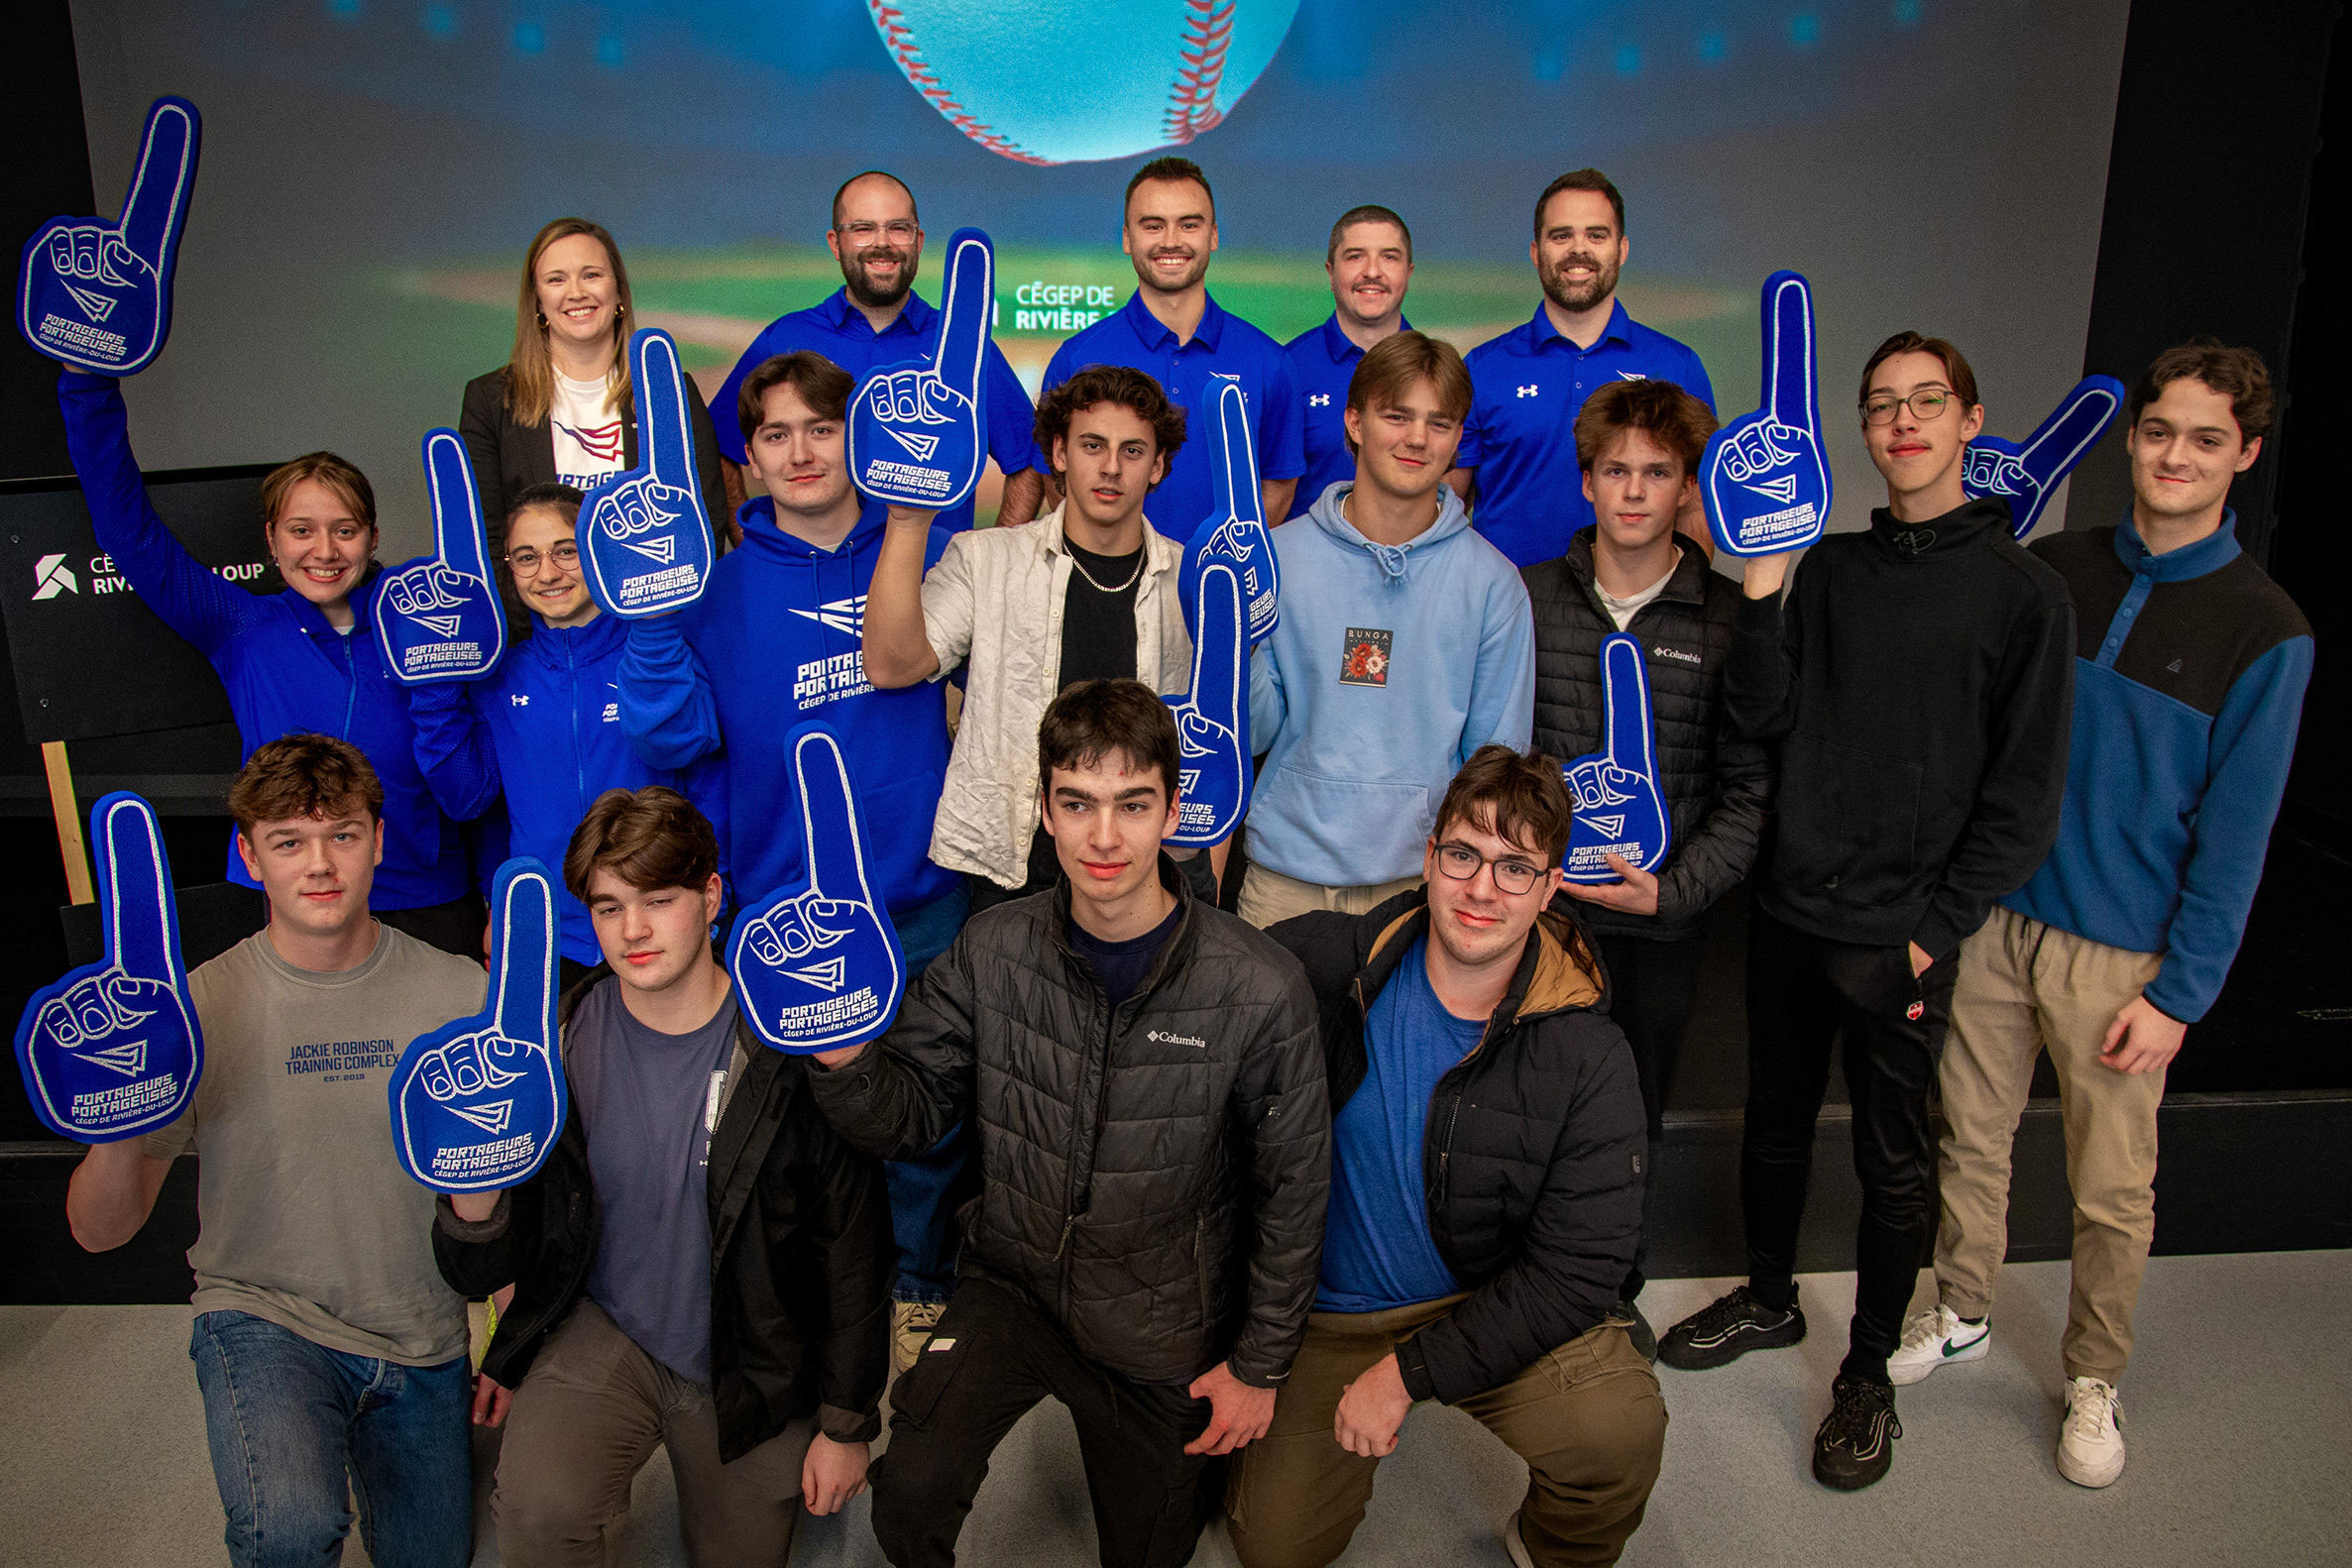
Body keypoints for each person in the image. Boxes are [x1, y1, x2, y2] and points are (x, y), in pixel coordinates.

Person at [1659, 332, 2076, 1493]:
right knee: (1775, 1120)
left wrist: (1933, 929)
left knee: (1896, 1169)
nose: (1903, 421)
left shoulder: (2025, 595)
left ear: (1970, 420)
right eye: (1882, 404)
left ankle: (1868, 1381)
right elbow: (1762, 715)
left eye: (1926, 401)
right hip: (1792, 911)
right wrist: (1758, 587)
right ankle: (1768, 1294)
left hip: (1902, 935)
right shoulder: (1824, 568)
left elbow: (2023, 795)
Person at [1889, 342, 2310, 1488]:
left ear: (2246, 456)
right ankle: (1961, 1308)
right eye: (2161, 430)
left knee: (2111, 1186)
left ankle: (2094, 1375)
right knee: (1967, 1136)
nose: (2176, 454)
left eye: (2206, 438)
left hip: (2122, 957)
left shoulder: (2266, 629)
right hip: (1998, 918)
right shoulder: (2053, 567)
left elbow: (2239, 832)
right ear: (2130, 439)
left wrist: (2181, 994)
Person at [803, 681, 1330, 1568]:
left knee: (1152, 1551)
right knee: (906, 1504)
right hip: (1012, 1284)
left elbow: (1294, 1193)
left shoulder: (1260, 987)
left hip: (1159, 1320)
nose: (1103, 837)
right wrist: (839, 1056)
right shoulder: (991, 948)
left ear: (1170, 809)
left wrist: (1257, 1365)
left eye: (1133, 805)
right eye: (1077, 804)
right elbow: (910, 1115)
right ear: (1044, 810)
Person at [1229, 744, 1664, 1568]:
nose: (1480, 889)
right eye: (1463, 855)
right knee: (1273, 1548)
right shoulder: (1327, 961)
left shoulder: (1588, 1052)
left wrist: (1405, 1377)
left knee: (1618, 1433)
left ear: (1547, 887)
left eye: (1513, 867)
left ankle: (1546, 1545)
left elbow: (1579, 1272)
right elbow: (1191, 975)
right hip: (1329, 1313)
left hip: (1484, 1297)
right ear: (1429, 860)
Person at [433, 787, 892, 1566]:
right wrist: (473, 1208)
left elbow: (852, 1248)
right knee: (538, 1514)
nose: (633, 930)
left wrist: (846, 1425)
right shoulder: (562, 1040)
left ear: (711, 896)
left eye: (658, 899)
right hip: (609, 1328)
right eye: (608, 908)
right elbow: (488, 1262)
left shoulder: (788, 1040)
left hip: (753, 1351)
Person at [617, 349, 969, 1365]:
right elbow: (671, 741)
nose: (801, 450)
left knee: (926, 1126)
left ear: (855, 438)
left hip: (919, 894)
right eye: (774, 433)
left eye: (821, 427)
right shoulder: (712, 588)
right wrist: (646, 621)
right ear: (749, 457)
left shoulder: (932, 551)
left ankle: (918, 1289)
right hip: (781, 907)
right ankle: (816, 1304)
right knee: (790, 1133)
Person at [63, 734, 489, 1568]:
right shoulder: (192, 1010)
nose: (319, 865)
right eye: (289, 842)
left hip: (422, 1334)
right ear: (251, 857)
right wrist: (116, 1117)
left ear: (377, 840)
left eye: (343, 835)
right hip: (264, 1317)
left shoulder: (460, 995)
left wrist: (514, 1346)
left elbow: (506, 1196)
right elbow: (98, 1231)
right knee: (290, 1532)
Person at [56, 372, 483, 956]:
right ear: (272, 540)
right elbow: (131, 537)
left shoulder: (427, 620)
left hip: (426, 898)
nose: (325, 552)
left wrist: (493, 897)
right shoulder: (241, 626)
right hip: (295, 902)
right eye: (301, 531)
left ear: (373, 536)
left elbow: (481, 777)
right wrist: (88, 386)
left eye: (345, 531)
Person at [1522, 379, 1771, 1352]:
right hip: (1543, 918)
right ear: (1586, 481)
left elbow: (1750, 794)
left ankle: (1608, 1280)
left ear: (1686, 489)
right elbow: (1492, 758)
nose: (1633, 490)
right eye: (1615, 469)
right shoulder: (1530, 597)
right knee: (1531, 1100)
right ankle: (1528, 1274)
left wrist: (1672, 890)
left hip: (1661, 923)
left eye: (1657, 472)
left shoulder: (1728, 618)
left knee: (1632, 1115)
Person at [860, 363, 1220, 912]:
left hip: (1140, 872)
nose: (1110, 467)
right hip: (1012, 873)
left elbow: (1225, 734)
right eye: (1092, 445)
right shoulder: (986, 560)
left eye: (1132, 451)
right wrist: (909, 520)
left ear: (1158, 465)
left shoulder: (1192, 580)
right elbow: (891, 665)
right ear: (1058, 454)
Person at [1241, 331, 1536, 928]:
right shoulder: (1275, 560)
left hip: (1420, 881)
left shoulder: (1493, 585)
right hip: (1282, 876)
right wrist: (1228, 634)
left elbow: (1495, 766)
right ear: (1354, 422)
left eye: (1440, 422)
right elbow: (1253, 733)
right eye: (1396, 415)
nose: (1417, 439)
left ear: (1458, 439)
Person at [406, 482, 726, 991]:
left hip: (661, 924)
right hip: (552, 940)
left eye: (566, 551)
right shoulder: (501, 676)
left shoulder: (659, 651)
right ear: (508, 569)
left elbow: (708, 779)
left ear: (601, 553)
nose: (548, 573)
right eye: (526, 557)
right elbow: (470, 801)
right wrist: (436, 684)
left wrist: (716, 891)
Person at [704, 170, 1044, 532]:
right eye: (863, 229)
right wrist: (749, 548)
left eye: (899, 228)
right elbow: (717, 451)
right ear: (836, 244)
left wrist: (988, 566)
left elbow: (1028, 462)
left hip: (934, 581)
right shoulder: (785, 338)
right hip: (818, 580)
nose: (883, 243)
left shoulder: (963, 343)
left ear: (918, 241)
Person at [459, 217, 728, 630]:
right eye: (556, 279)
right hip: (541, 640)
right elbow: (487, 538)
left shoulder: (669, 393)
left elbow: (704, 521)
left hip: (652, 630)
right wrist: (540, 628)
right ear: (536, 300)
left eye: (591, 275)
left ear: (617, 290)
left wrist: (652, 617)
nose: (576, 292)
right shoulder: (490, 401)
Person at [1449, 169, 1716, 569]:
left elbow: (1695, 509)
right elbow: (1448, 505)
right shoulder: (1482, 368)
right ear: (1536, 252)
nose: (1579, 249)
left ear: (1621, 249)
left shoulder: (1677, 365)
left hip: (1637, 617)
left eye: (1596, 235)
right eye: (1561, 236)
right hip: (1508, 614)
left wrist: (1680, 608)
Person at [1040, 157, 1305, 542]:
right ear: (1128, 239)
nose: (1170, 241)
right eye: (1153, 225)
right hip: (1115, 589)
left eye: (1189, 225)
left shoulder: (1270, 363)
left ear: (1212, 236)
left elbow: (1279, 483)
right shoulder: (1078, 358)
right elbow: (1057, 481)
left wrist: (1225, 558)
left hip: (1220, 590)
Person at [1282, 205, 1414, 519]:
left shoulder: (1436, 372)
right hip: (1308, 565)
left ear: (1408, 273)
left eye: (1389, 257)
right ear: (1330, 272)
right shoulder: (1287, 368)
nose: (1371, 271)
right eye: (1355, 256)